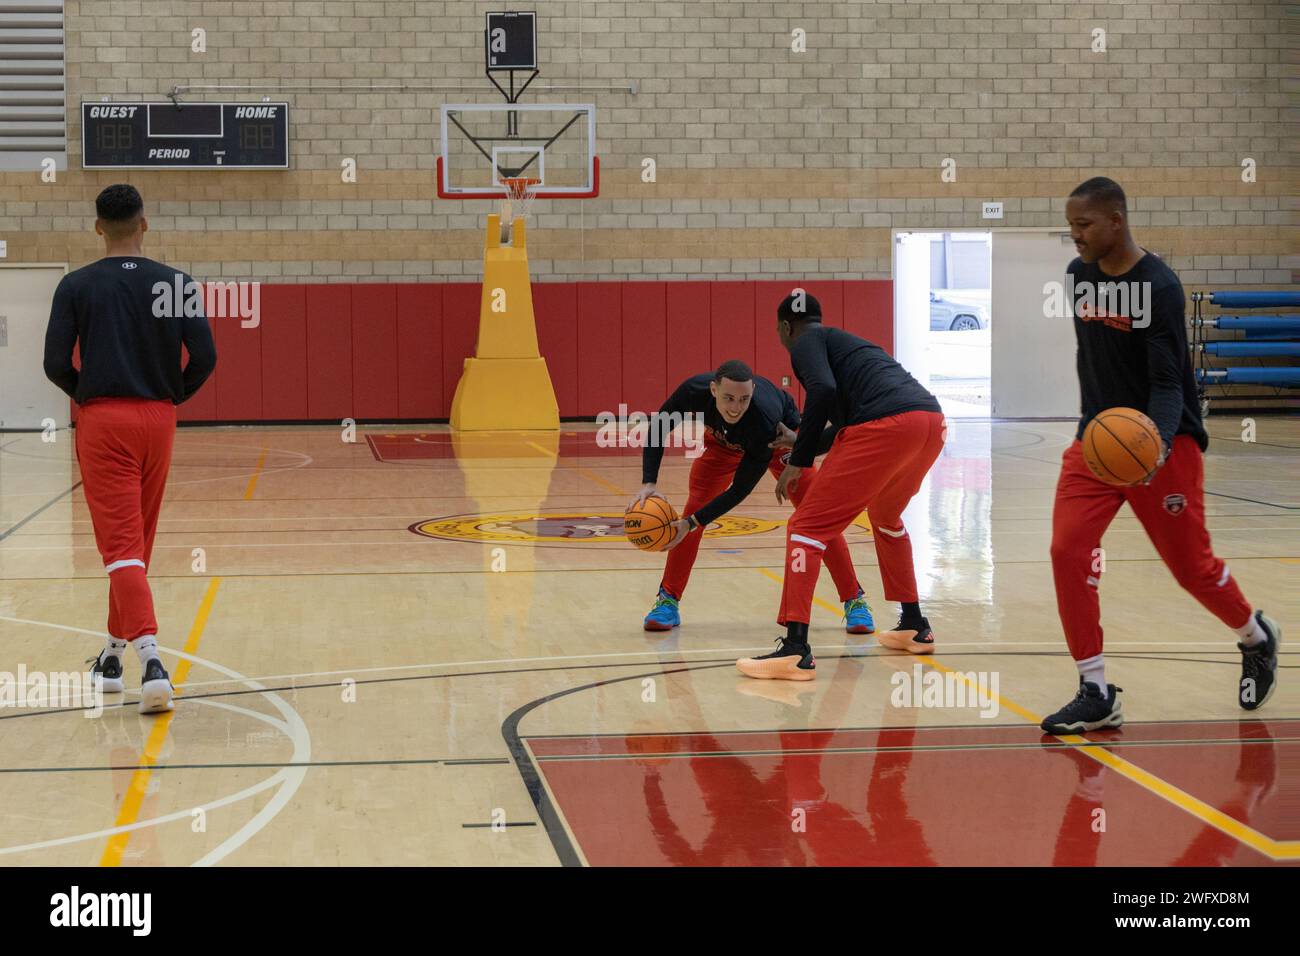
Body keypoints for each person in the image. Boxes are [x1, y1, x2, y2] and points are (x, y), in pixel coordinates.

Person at [1040, 176, 1280, 734]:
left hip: (1163, 442)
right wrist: (1094, 432)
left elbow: (1169, 382)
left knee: (1190, 570)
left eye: (1084, 225)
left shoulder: (1161, 286)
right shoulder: (1079, 277)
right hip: (1098, 441)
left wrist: (1156, 444)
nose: (1075, 236)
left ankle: (1255, 636)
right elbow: (1095, 364)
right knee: (1065, 550)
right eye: (1071, 225)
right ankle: (1095, 688)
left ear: (1116, 222)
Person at [44, 184, 217, 714]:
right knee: (133, 549)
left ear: (98, 227)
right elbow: (205, 358)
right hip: (158, 418)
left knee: (120, 549)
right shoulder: (178, 283)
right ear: (145, 223)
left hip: (103, 420)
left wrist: (90, 398)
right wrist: (171, 396)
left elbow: (55, 364)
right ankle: (113, 659)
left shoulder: (76, 285)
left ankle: (153, 662)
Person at [737, 292, 946, 681]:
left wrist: (798, 461)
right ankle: (915, 624)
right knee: (886, 516)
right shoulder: (848, 345)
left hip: (887, 427)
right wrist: (799, 441)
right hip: (930, 422)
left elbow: (824, 392)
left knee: (806, 528)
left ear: (785, 328)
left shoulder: (804, 343)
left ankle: (796, 649)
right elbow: (847, 424)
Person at [632, 359, 873, 633]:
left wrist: (694, 522)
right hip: (723, 445)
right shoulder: (692, 391)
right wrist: (648, 481)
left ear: (753, 392)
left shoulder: (763, 418)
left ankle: (855, 600)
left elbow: (740, 489)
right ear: (713, 389)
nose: (735, 407)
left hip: (778, 441)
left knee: (816, 519)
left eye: (744, 399)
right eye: (728, 398)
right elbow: (659, 426)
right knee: (694, 510)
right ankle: (667, 600)